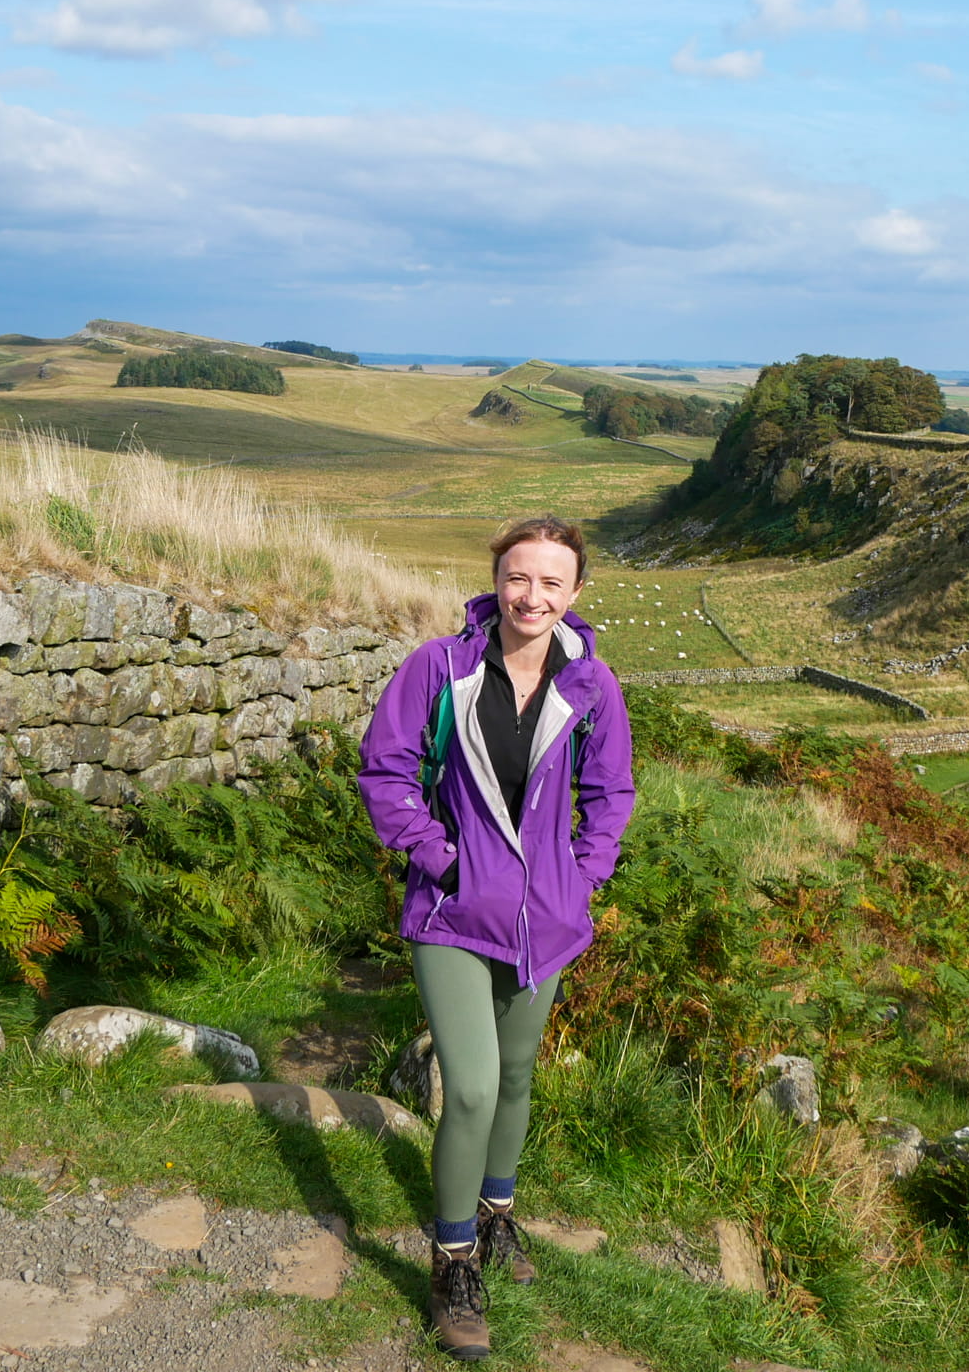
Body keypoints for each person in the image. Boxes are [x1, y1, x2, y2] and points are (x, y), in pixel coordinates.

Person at [357, 515, 636, 1362]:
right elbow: (385, 770)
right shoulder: (438, 669)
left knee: (517, 1076)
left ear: (576, 594)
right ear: (495, 578)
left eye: (553, 582)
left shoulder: (593, 687)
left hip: (545, 921)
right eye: (520, 577)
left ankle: (497, 1213)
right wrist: (440, 861)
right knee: (472, 1088)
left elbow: (611, 793)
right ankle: (451, 1263)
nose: (533, 596)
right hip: (451, 914)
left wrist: (579, 878)